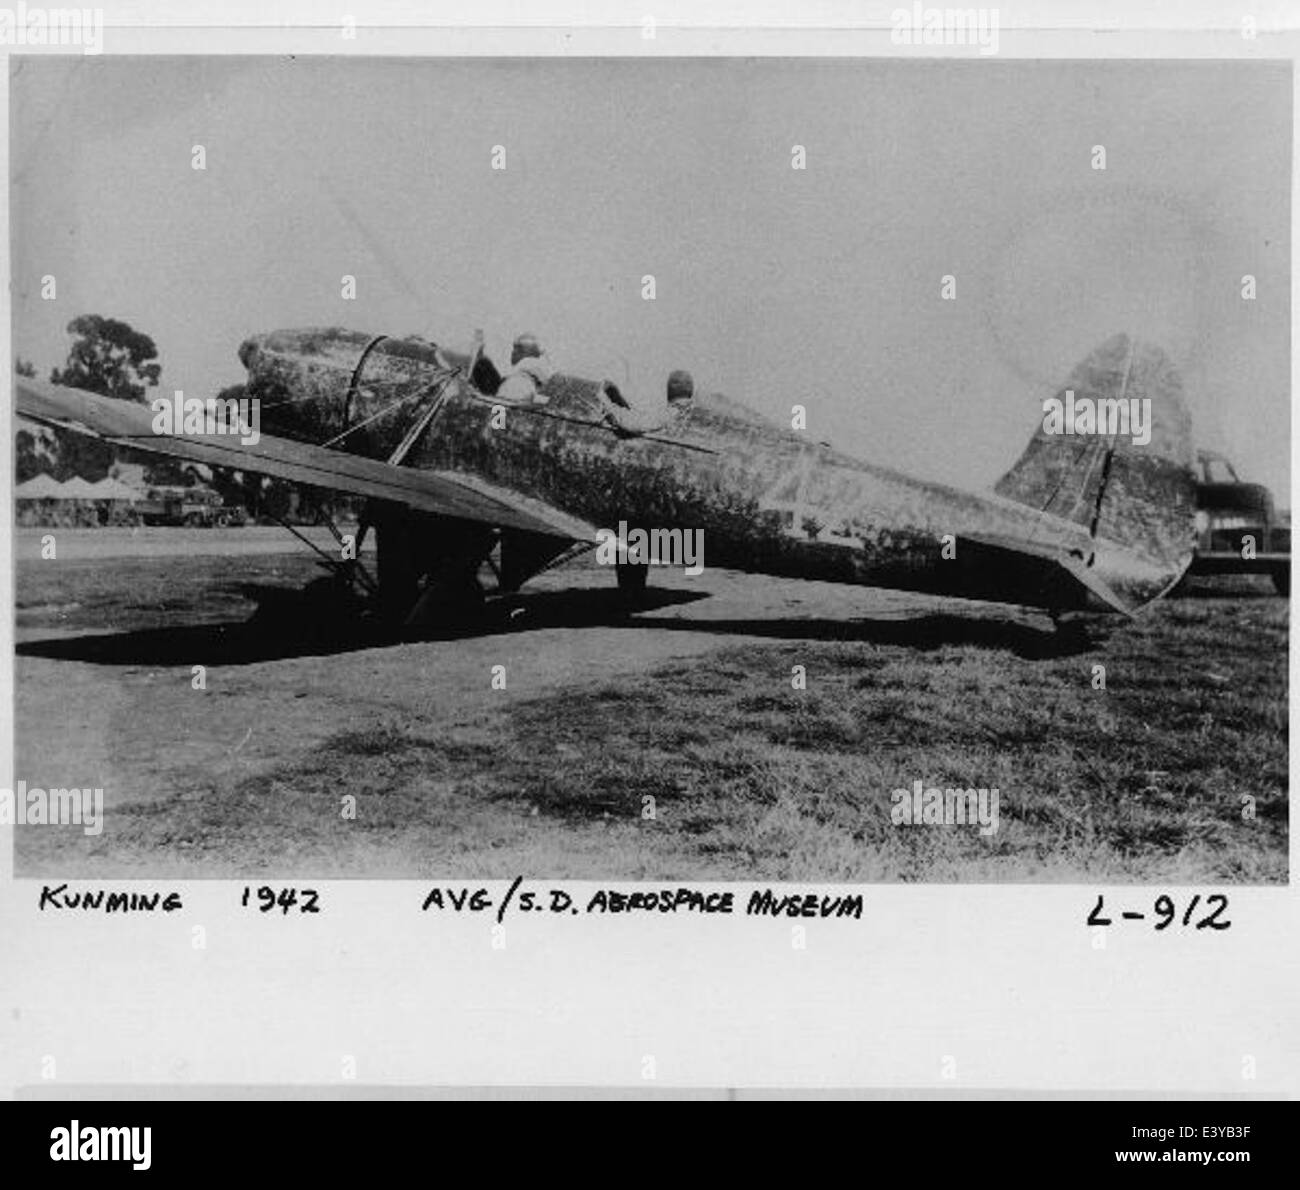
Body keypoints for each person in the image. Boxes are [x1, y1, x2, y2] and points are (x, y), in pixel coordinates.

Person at [496, 333, 554, 404]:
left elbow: (500, 407)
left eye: (519, 349)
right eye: (514, 348)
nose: (513, 352)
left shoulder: (518, 381)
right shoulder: (541, 381)